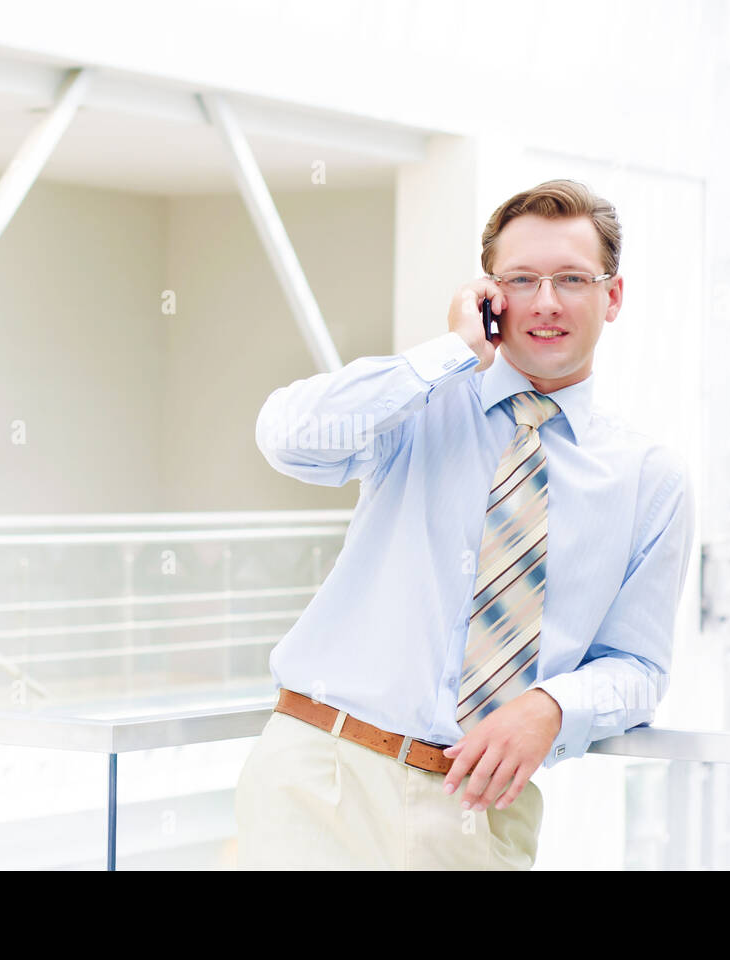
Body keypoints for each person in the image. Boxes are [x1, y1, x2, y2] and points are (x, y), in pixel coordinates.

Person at [235, 178, 695, 870]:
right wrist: (451, 350)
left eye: (571, 278)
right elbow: (289, 437)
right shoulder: (421, 403)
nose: (545, 302)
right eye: (521, 279)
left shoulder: (650, 480)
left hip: (478, 813)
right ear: (489, 294)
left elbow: (639, 668)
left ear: (613, 296)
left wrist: (553, 708)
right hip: (319, 778)